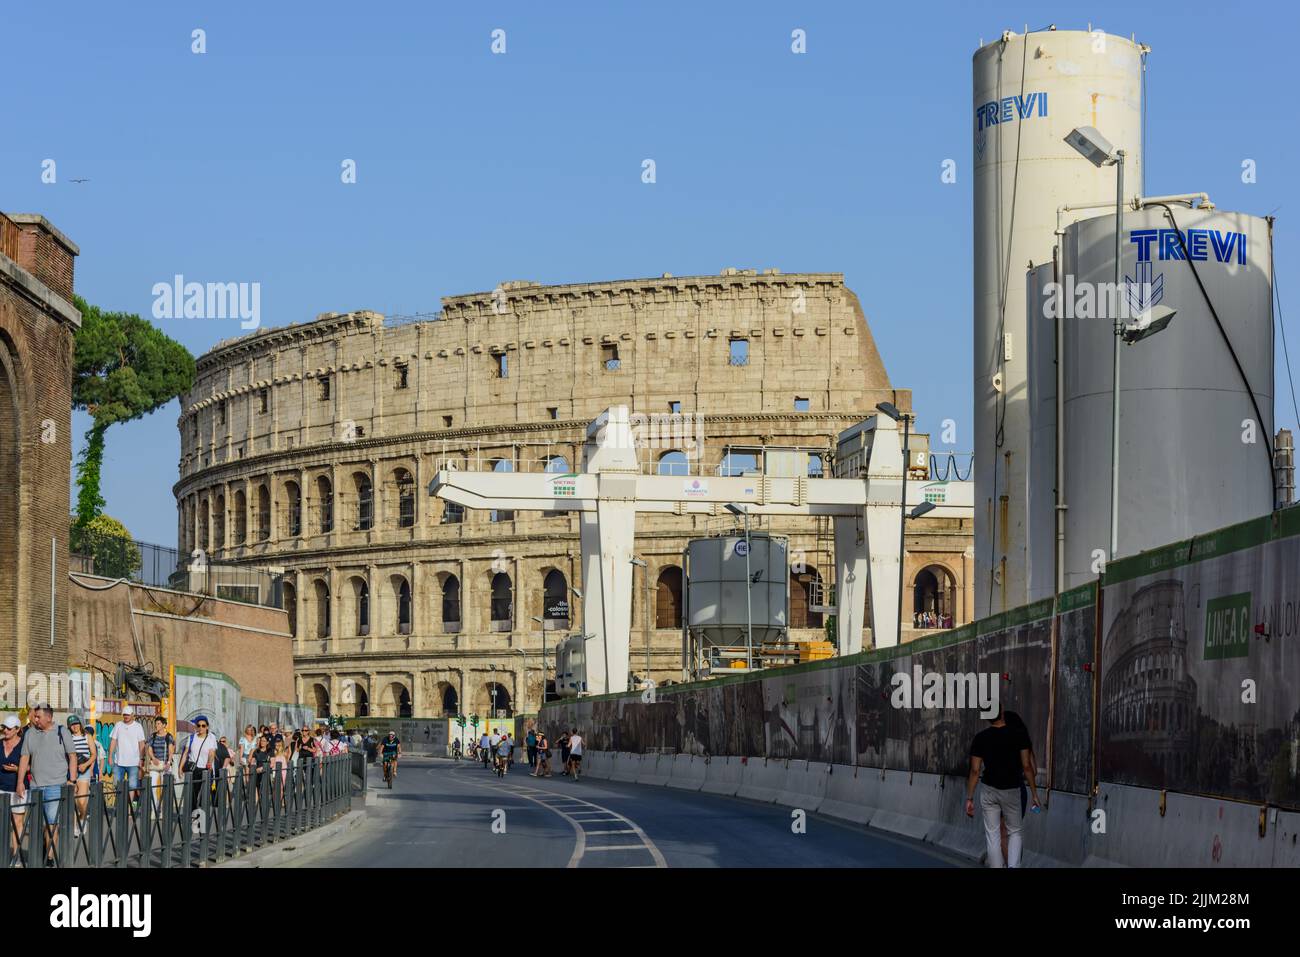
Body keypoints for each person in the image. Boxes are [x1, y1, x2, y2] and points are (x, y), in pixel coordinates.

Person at [965, 708, 1040, 868]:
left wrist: (970, 797)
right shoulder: (1019, 736)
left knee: (993, 835)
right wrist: (1034, 793)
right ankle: (1013, 866)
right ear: (1001, 714)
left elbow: (975, 770)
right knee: (1015, 831)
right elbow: (1028, 767)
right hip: (1012, 789)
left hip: (989, 789)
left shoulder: (980, 738)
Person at [15, 704, 77, 862]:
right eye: (34, 717)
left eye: (38, 717)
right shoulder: (30, 733)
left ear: (48, 717)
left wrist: (72, 780)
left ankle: (48, 858)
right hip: (36, 787)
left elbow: (72, 756)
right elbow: (24, 758)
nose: (34, 719)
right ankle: (45, 848)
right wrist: (20, 782)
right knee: (40, 824)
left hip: (56, 786)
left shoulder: (62, 732)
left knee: (51, 824)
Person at [999, 710, 1039, 863]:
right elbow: (1032, 770)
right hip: (1019, 791)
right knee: (1014, 832)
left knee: (1003, 832)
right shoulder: (1024, 742)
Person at [108, 705, 147, 806]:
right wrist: (110, 756)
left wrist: (142, 759)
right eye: (124, 715)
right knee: (117, 784)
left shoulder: (138, 726)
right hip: (119, 761)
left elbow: (141, 743)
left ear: (132, 715)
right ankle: (120, 805)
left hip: (133, 762)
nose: (126, 717)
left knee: (132, 785)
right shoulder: (118, 725)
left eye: (128, 715)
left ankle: (129, 807)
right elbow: (113, 741)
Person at [67, 715, 98, 835]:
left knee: (81, 801)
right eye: (72, 725)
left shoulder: (87, 736)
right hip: (71, 772)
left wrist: (86, 765)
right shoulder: (68, 738)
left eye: (76, 724)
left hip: (83, 771)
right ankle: (75, 826)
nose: (74, 727)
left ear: (80, 724)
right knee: (73, 801)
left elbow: (94, 754)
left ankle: (82, 818)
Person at [1, 715, 28, 852]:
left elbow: (33, 766)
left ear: (17, 729)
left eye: (8, 728)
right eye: (3, 727)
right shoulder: (0, 743)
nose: (5, 730)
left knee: (17, 822)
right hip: (1, 788)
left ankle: (17, 855)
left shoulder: (24, 744)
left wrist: (19, 769)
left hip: (18, 787)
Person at [181, 715, 218, 811]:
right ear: (196, 726)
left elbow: (212, 753)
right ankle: (193, 815)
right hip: (194, 769)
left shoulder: (211, 737)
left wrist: (209, 764)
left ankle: (202, 816)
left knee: (204, 796)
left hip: (206, 769)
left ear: (207, 726)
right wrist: (180, 768)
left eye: (203, 725)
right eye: (199, 725)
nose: (201, 727)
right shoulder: (192, 738)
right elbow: (185, 753)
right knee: (193, 795)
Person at [146, 715, 175, 799]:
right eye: (156, 724)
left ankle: (163, 809)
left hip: (165, 764)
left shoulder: (168, 736)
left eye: (158, 724)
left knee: (165, 788)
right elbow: (149, 749)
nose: (156, 725)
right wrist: (153, 758)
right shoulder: (153, 736)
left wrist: (169, 763)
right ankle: (154, 809)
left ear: (164, 725)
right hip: (155, 764)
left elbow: (171, 751)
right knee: (152, 787)